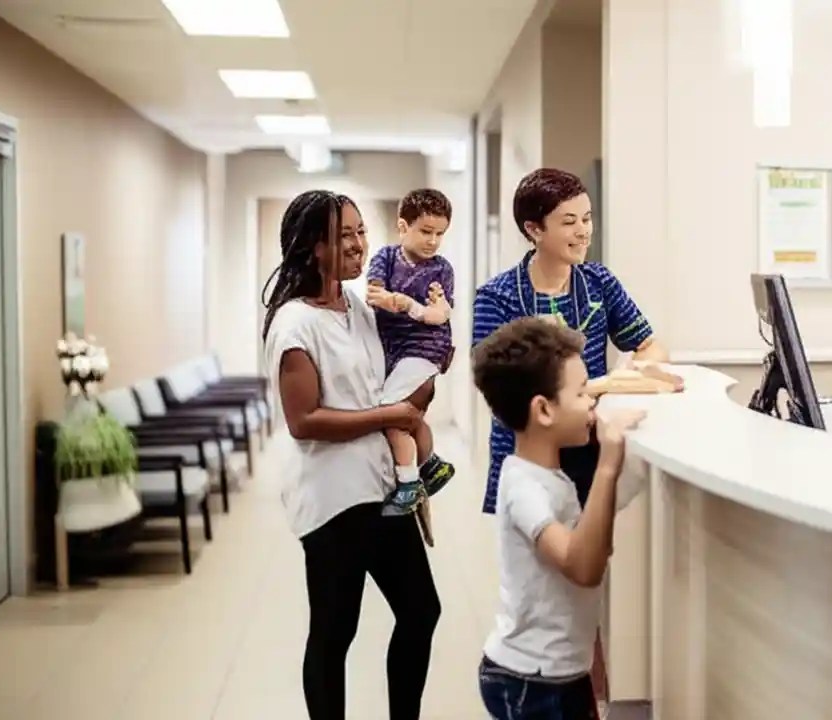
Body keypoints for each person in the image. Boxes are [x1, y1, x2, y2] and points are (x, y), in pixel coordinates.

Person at [261, 190, 440, 720]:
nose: (361, 244)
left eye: (363, 232)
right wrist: (390, 417)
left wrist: (416, 392)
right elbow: (304, 421)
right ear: (314, 247)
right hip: (334, 502)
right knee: (335, 634)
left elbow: (380, 389)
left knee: (421, 610)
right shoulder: (295, 324)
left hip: (382, 489)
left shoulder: (357, 308)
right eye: (346, 235)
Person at [471, 316, 645, 720]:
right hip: (530, 680)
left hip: (559, 671)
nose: (592, 404)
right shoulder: (522, 488)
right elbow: (582, 566)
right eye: (583, 393)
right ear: (544, 410)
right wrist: (606, 466)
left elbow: (597, 522)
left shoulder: (552, 477)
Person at [472, 167, 667, 515]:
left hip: (586, 446)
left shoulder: (599, 283)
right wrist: (602, 386)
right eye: (569, 222)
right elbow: (501, 390)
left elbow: (649, 345)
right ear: (534, 229)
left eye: (587, 219)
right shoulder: (497, 297)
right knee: (539, 561)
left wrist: (633, 372)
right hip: (527, 455)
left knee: (589, 557)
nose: (583, 232)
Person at [364, 189, 457, 538]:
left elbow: (440, 315)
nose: (434, 241)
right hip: (393, 350)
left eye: (440, 233)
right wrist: (391, 300)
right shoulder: (385, 257)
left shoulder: (441, 269)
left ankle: (408, 484)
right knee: (409, 415)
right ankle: (432, 465)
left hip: (425, 349)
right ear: (403, 226)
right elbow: (374, 295)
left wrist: (407, 305)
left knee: (390, 414)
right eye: (426, 231)